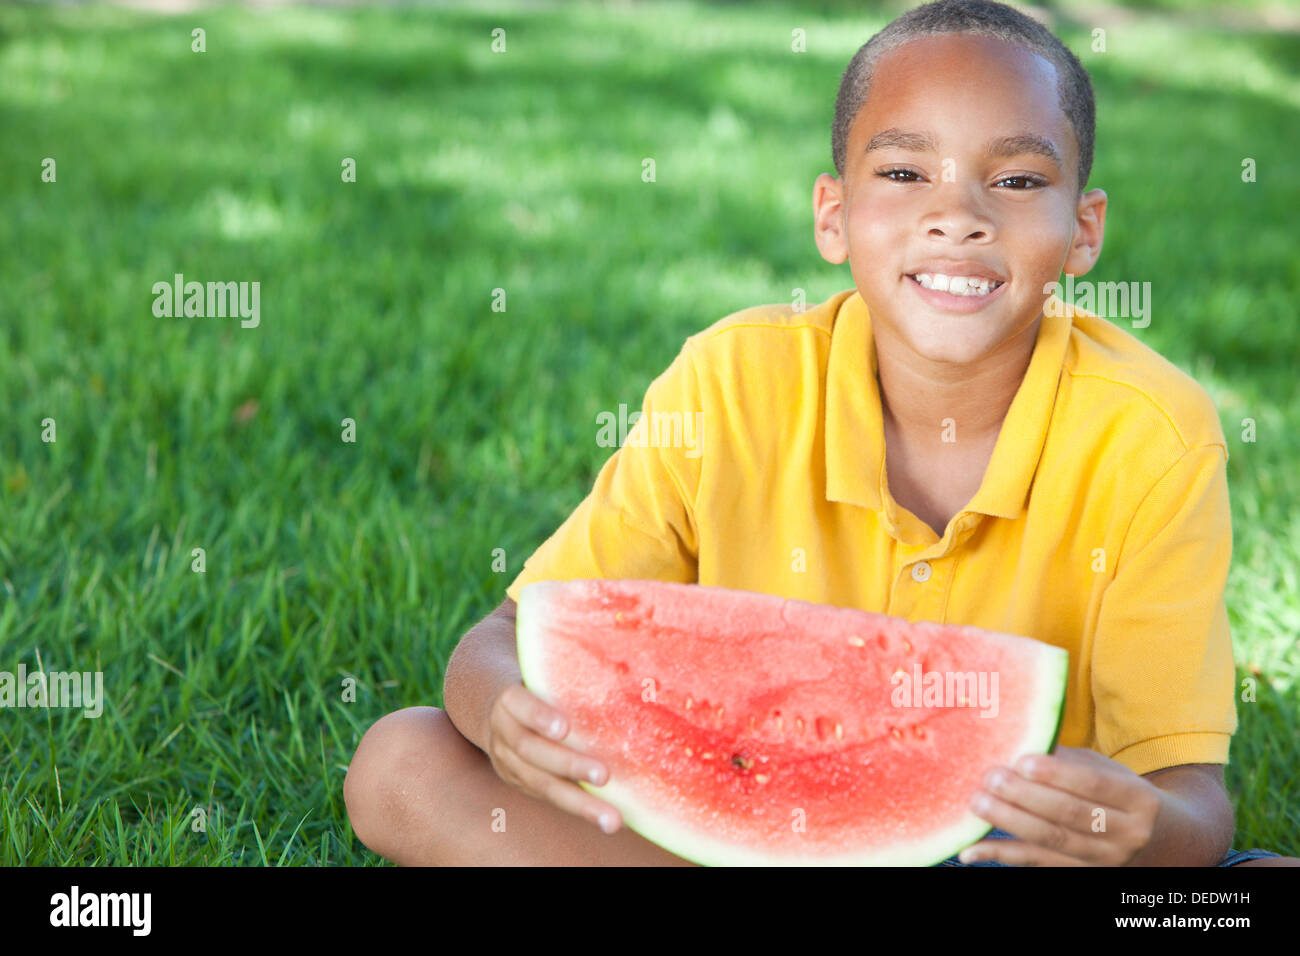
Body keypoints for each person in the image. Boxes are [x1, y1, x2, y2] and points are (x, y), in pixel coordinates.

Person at [344, 0, 1294, 866]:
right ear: (833, 215)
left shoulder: (1153, 436)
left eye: (1012, 178)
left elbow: (1192, 811)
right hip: (724, 828)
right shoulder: (728, 383)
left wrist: (1129, 827)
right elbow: (506, 638)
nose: (954, 216)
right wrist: (505, 710)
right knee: (401, 760)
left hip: (1005, 854)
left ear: (1082, 231)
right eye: (903, 172)